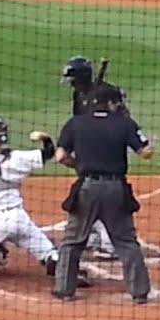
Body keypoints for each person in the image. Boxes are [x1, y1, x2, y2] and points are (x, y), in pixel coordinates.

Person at [0, 115, 90, 287]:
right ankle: (64, 271)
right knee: (48, 252)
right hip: (18, 218)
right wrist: (46, 139)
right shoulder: (18, 157)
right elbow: (48, 153)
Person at [52, 84, 154, 303]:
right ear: (111, 103)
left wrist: (78, 165)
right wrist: (151, 142)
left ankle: (64, 289)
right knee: (126, 241)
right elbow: (145, 153)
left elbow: (60, 156)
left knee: (72, 242)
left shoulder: (75, 123)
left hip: (86, 188)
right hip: (115, 189)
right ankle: (139, 293)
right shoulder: (124, 123)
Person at [61, 56, 120, 260]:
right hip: (89, 147)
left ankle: (109, 243)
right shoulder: (80, 95)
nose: (71, 85)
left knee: (98, 191)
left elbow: (120, 120)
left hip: (109, 147)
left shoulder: (106, 92)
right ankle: (93, 235)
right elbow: (80, 121)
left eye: (73, 80)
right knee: (85, 190)